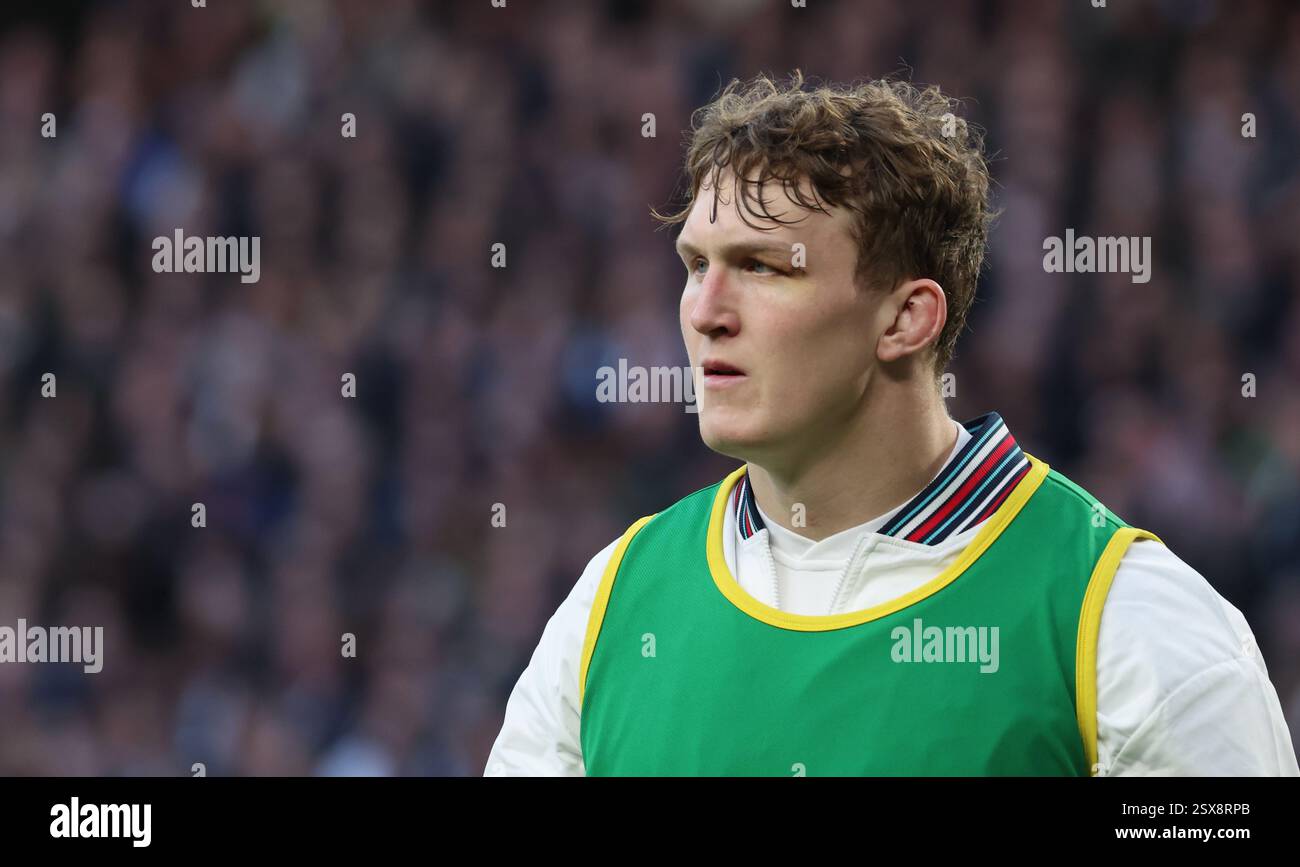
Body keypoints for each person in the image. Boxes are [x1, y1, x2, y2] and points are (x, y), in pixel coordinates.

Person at [485, 71, 1299, 776]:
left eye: (762, 267)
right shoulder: (610, 607)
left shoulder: (1129, 624)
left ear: (906, 318)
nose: (704, 313)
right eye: (697, 265)